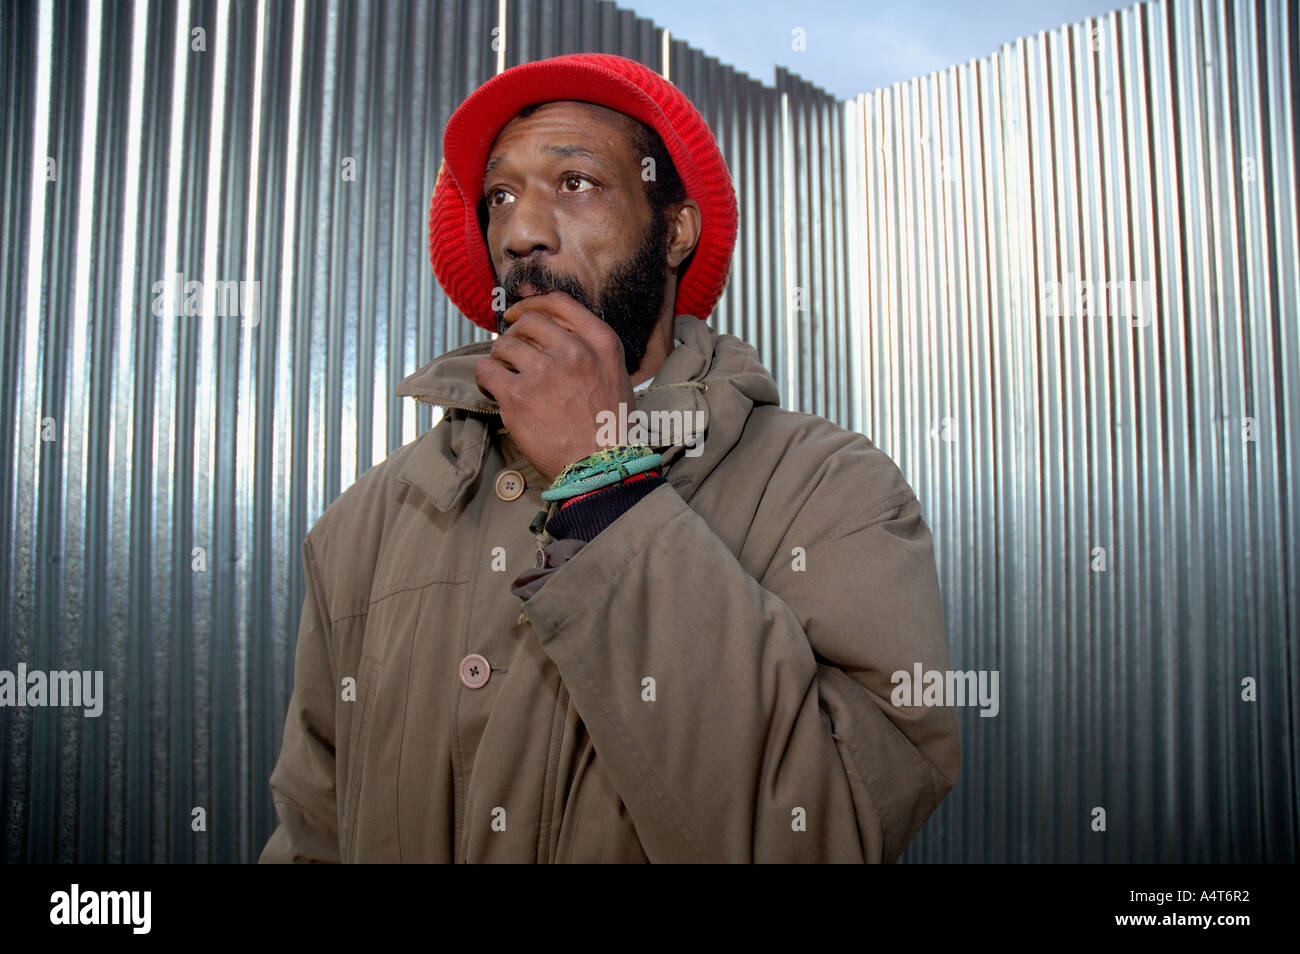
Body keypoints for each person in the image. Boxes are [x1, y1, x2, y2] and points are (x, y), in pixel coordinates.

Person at [260, 52, 959, 864]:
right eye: (500, 196)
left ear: (673, 230)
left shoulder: (830, 490)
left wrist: (606, 484)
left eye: (576, 182)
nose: (522, 230)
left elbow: (830, 830)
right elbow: (311, 834)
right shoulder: (372, 520)